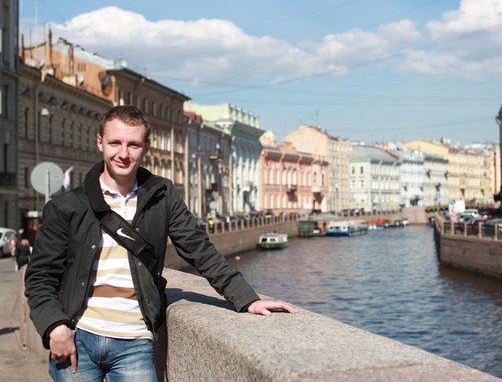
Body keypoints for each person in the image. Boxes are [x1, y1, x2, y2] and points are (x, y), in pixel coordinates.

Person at [25, 105, 298, 381]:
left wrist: (247, 298)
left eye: (133, 144)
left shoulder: (161, 195)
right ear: (100, 142)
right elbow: (40, 277)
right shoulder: (67, 206)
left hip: (135, 341)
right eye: (115, 143)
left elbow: (199, 249)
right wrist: (54, 326)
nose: (123, 153)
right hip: (78, 336)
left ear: (146, 147)